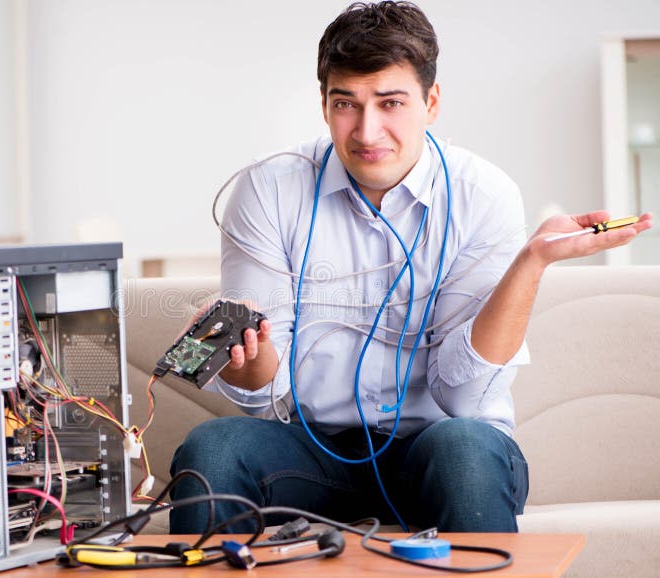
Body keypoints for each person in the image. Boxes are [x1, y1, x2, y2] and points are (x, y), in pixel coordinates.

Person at [168, 1, 653, 534]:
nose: (367, 132)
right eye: (345, 104)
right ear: (324, 105)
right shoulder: (268, 189)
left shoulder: (482, 196)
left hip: (442, 451)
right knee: (213, 449)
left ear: (431, 101)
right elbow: (264, 397)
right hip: (313, 453)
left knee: (463, 449)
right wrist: (246, 362)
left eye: (391, 102)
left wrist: (530, 263)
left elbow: (463, 398)